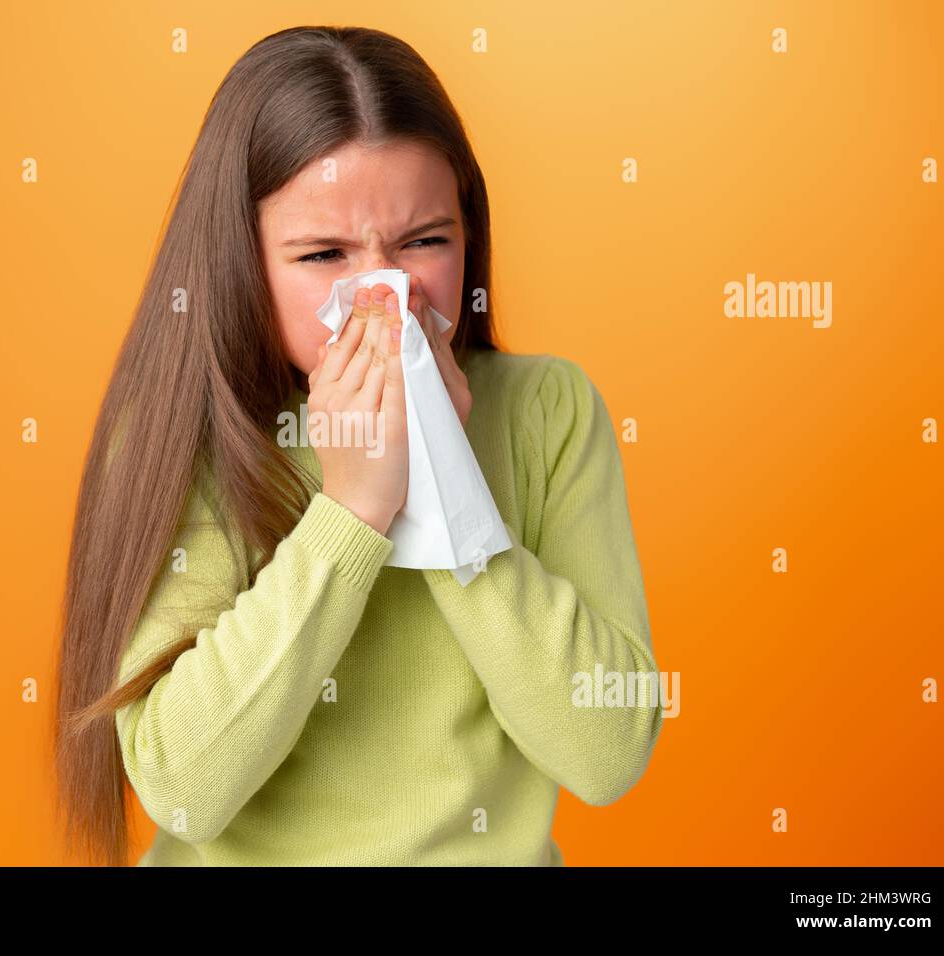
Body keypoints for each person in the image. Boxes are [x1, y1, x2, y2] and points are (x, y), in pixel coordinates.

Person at [53, 25, 662, 866]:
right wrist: (353, 510)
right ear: (243, 261)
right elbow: (184, 788)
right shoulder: (183, 437)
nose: (385, 291)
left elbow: (606, 753)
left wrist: (446, 487)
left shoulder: (548, 412)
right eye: (323, 254)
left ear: (469, 236)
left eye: (424, 242)